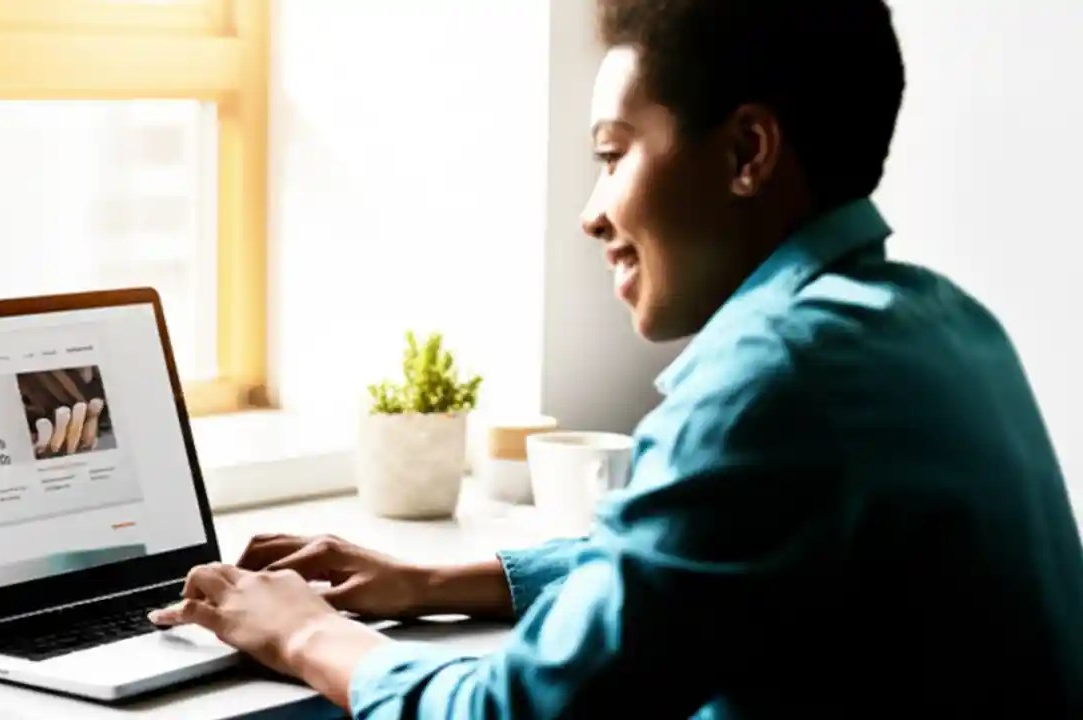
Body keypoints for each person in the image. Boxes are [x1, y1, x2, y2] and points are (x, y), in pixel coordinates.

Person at [149, 0, 1083, 716]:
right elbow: (686, 557)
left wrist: (307, 633)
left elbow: (521, 710)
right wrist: (432, 582)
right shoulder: (942, 323)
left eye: (613, 153)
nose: (592, 211)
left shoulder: (779, 376)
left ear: (748, 151)